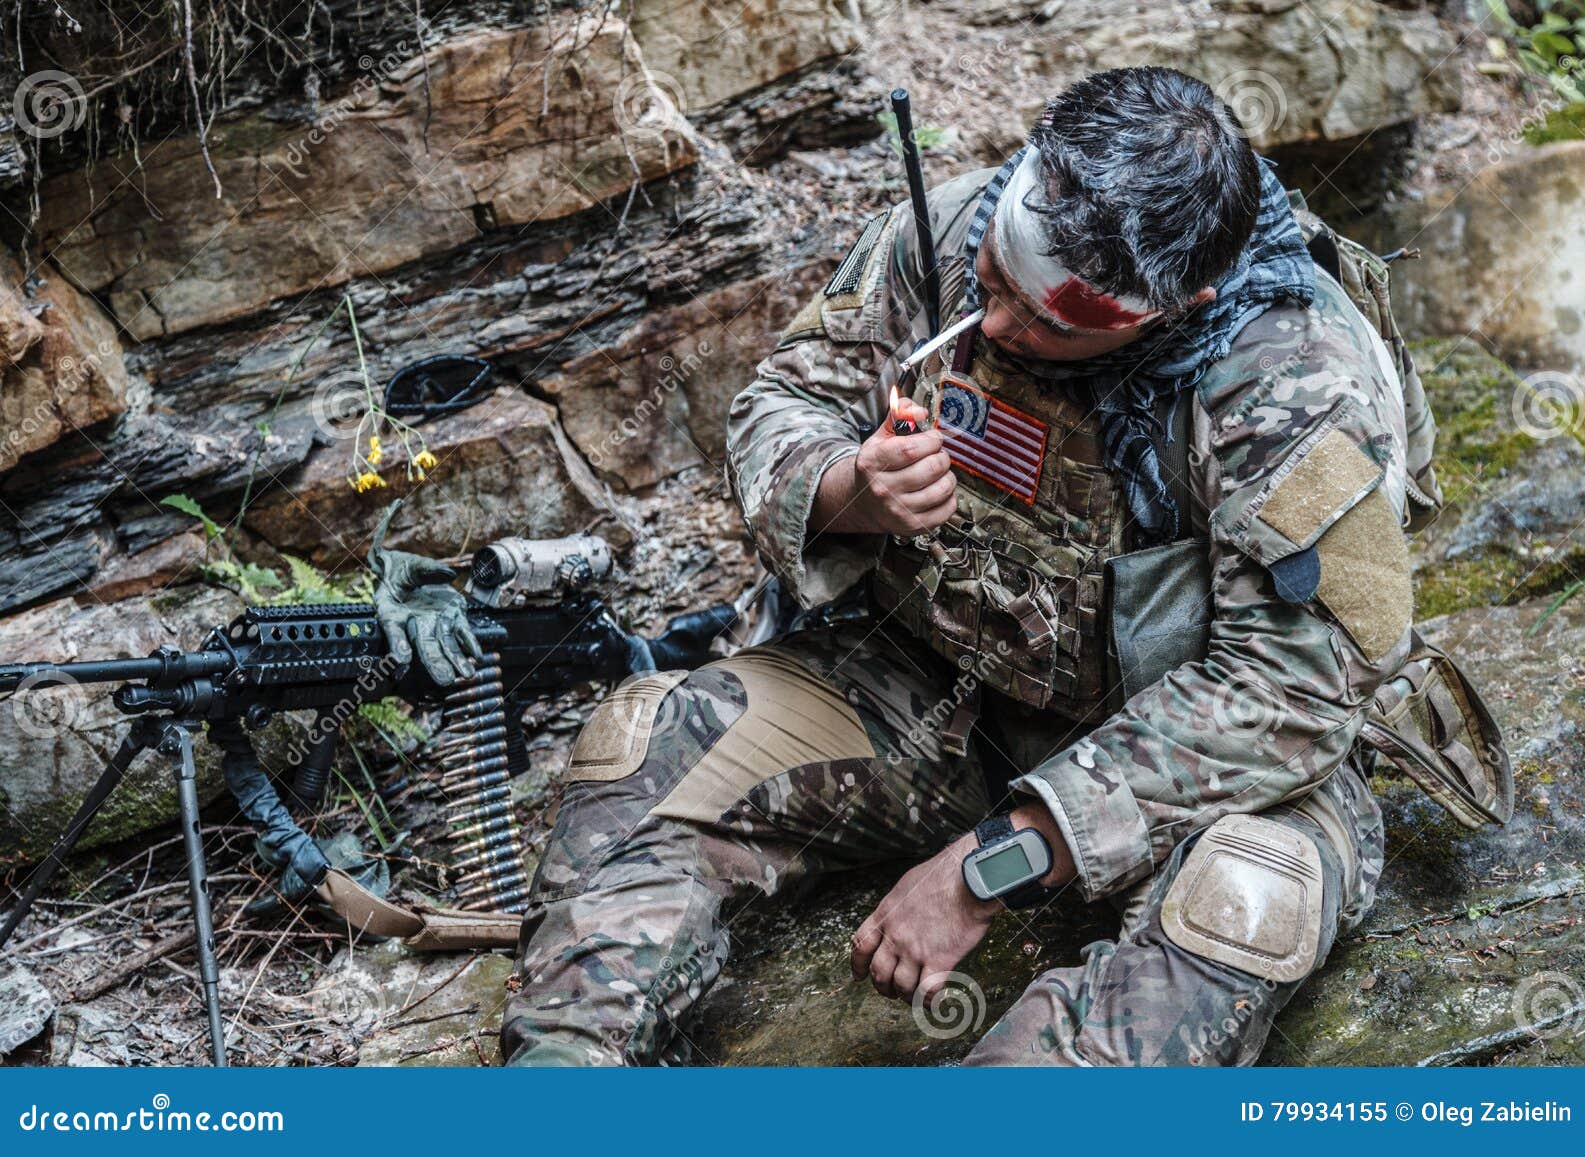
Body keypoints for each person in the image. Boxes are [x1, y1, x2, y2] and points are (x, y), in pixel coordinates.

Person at [495, 66, 1424, 1066]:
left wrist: (998, 861)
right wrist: (851, 484)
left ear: (1173, 303)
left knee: (1245, 900)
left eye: (1048, 320)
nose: (994, 329)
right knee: (648, 741)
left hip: (1189, 751)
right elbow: (781, 399)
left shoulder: (1294, 375)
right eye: (990, 283)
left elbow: (1297, 680)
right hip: (926, 689)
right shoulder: (946, 230)